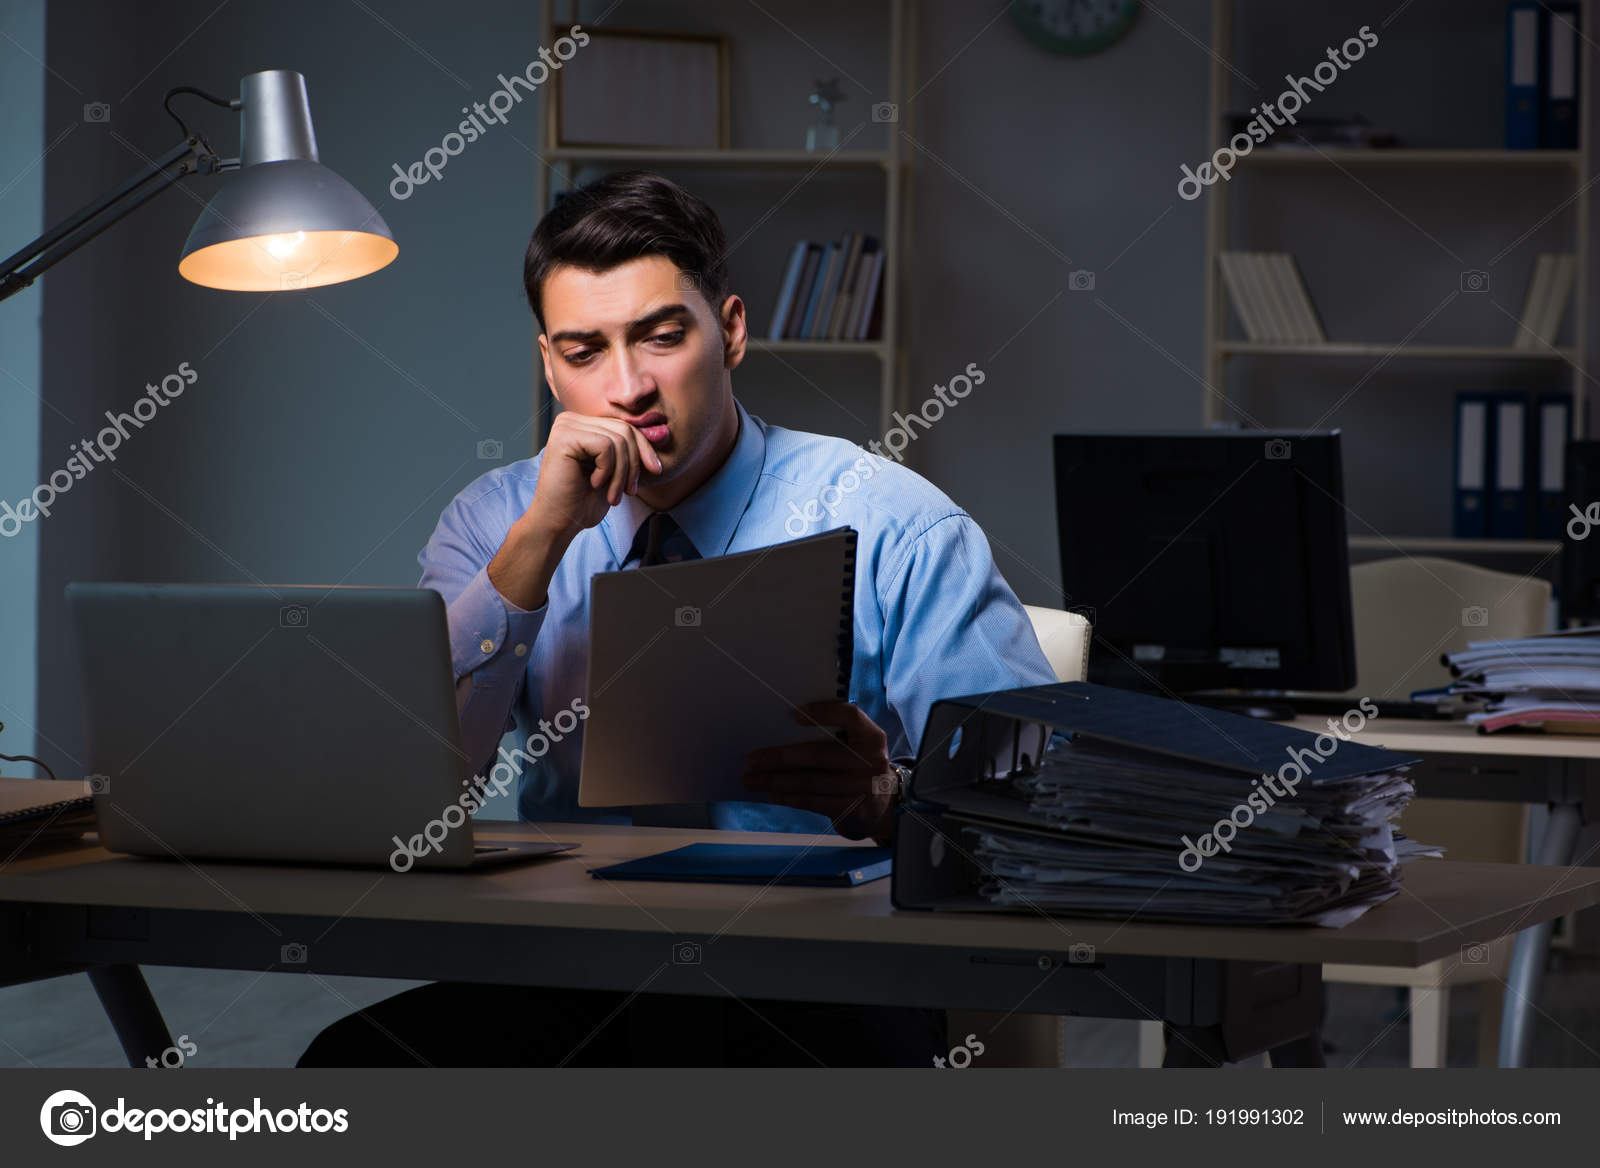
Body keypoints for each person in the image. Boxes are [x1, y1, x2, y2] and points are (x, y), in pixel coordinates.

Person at [298, 170, 1055, 1067]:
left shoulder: (898, 522)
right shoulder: (494, 523)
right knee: (349, 1071)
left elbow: (1036, 800)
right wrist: (537, 547)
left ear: (729, 331)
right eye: (584, 353)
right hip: (566, 968)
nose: (627, 387)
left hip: (822, 980)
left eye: (660, 338)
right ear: (548, 364)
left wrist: (892, 798)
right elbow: (411, 791)